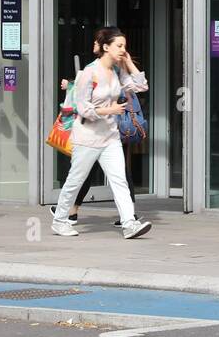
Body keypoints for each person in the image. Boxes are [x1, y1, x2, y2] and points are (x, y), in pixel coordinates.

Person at [52, 27, 152, 240]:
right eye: (119, 46)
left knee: (119, 180)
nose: (122, 50)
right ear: (105, 47)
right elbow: (82, 108)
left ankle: (129, 224)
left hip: (110, 137)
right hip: (87, 137)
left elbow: (141, 86)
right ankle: (60, 221)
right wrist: (110, 110)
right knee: (75, 180)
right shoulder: (89, 72)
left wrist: (129, 63)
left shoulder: (117, 71)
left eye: (124, 46)